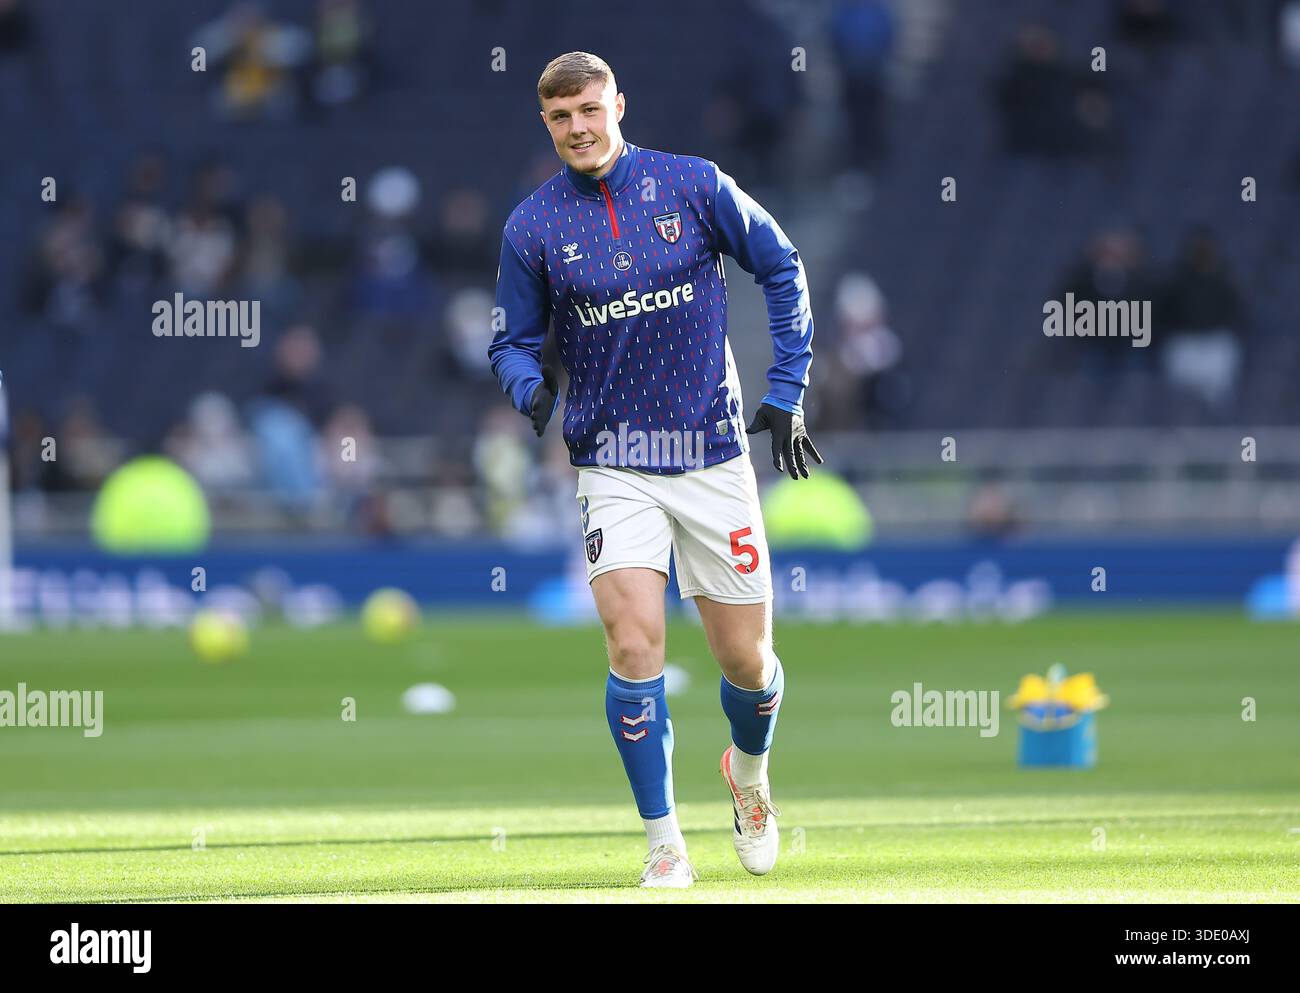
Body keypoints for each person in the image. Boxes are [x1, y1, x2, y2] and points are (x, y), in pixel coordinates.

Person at [489, 52, 819, 888]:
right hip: (613, 462)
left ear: (618, 106)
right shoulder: (532, 228)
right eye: (561, 118)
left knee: (747, 665)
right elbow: (511, 340)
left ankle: (748, 777)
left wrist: (787, 390)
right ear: (546, 124)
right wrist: (528, 387)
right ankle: (664, 839)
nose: (579, 129)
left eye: (590, 111)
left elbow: (781, 265)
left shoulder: (693, 186)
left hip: (712, 455)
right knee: (633, 644)